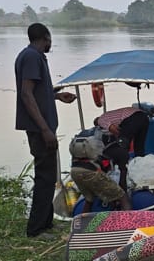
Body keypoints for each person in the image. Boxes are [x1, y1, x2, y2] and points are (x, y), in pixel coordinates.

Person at [15, 23, 77, 237]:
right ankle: (36, 229)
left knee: (49, 176)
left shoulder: (32, 56)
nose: (51, 44)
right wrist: (45, 129)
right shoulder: (32, 57)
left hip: (42, 126)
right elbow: (26, 94)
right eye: (50, 40)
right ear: (45, 37)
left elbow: (38, 92)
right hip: (40, 128)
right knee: (44, 177)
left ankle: (46, 222)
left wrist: (58, 96)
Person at [69, 127, 133, 213]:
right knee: (122, 196)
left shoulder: (79, 142)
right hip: (91, 171)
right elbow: (122, 173)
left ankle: (83, 222)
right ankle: (130, 220)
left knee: (89, 199)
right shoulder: (119, 152)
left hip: (75, 170)